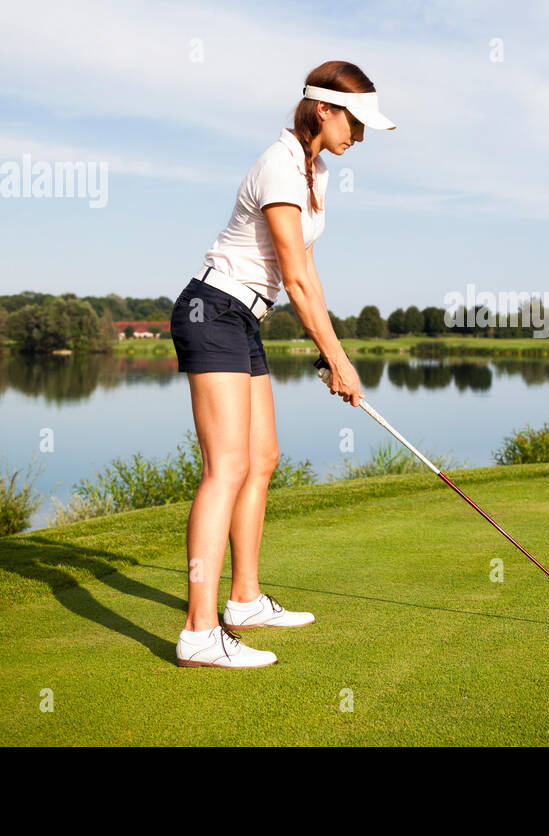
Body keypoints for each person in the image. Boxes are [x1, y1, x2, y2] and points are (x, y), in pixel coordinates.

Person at [168, 61, 395, 668]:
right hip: (210, 310)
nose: (361, 135)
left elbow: (306, 272)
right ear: (324, 109)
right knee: (227, 466)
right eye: (356, 121)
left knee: (262, 459)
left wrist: (331, 350)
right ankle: (198, 631)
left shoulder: (313, 169)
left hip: (244, 317)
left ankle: (242, 599)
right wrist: (340, 359)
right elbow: (292, 275)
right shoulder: (278, 164)